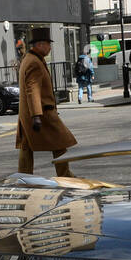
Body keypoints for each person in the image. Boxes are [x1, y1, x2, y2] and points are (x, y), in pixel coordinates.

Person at [15, 27, 77, 177]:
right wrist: (36, 115)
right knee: (60, 143)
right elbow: (32, 89)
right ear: (40, 44)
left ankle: (24, 176)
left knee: (27, 146)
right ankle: (65, 175)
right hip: (43, 113)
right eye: (48, 44)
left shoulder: (29, 59)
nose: (50, 47)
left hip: (31, 113)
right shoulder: (34, 62)